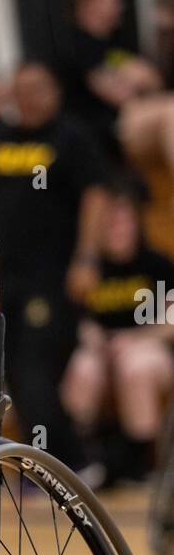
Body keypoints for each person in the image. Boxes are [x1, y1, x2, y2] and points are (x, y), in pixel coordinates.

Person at [0, 62, 108, 474]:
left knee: (36, 370)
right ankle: (65, 463)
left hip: (55, 276)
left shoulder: (70, 137)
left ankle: (70, 462)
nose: (29, 97)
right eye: (20, 89)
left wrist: (87, 259)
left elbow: (96, 196)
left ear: (55, 91)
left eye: (38, 88)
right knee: (15, 372)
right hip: (8, 276)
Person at [61, 179, 174, 484]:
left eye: (124, 221)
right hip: (102, 353)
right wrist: (92, 336)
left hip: (149, 352)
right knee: (83, 368)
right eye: (111, 223)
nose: (118, 229)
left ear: (137, 224)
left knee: (135, 364)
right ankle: (86, 460)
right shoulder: (89, 270)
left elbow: (172, 322)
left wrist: (136, 338)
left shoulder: (156, 265)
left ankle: (142, 463)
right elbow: (77, 319)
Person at [58, 0, 174, 180]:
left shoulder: (118, 42)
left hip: (135, 120)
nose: (120, 6)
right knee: (171, 111)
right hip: (107, 133)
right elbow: (120, 95)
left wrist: (136, 79)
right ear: (88, 2)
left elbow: (155, 81)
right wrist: (135, 79)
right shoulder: (76, 45)